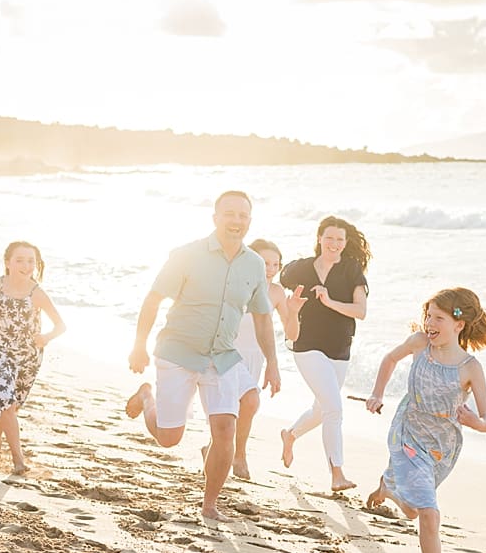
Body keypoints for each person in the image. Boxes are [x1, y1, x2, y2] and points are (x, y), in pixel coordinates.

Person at [126, 191, 281, 522]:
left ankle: (209, 504)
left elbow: (264, 317)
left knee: (225, 429)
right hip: (179, 352)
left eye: (242, 215)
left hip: (222, 357)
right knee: (169, 438)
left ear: (250, 221)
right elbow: (154, 299)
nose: (236, 221)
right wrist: (139, 344)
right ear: (215, 218)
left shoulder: (254, 264)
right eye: (229, 214)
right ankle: (147, 395)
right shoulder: (187, 255)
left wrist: (273, 365)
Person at [363, 287, 486, 553]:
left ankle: (389, 488)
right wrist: (377, 394)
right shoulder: (419, 343)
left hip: (442, 444)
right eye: (428, 315)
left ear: (458, 324)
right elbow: (389, 359)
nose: (429, 323)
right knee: (428, 512)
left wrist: (475, 422)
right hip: (408, 431)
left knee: (413, 511)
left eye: (437, 318)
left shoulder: (470, 367)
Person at [278, 216, 371, 492]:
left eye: (340, 239)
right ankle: (337, 474)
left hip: (340, 348)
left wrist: (329, 301)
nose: (334, 244)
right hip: (307, 346)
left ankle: (290, 434)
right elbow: (272, 279)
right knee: (334, 408)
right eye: (329, 237)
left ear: (345, 243)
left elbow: (360, 311)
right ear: (319, 238)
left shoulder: (352, 270)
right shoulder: (300, 269)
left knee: (322, 409)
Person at [0, 241, 66, 471]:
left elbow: (61, 326)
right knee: (7, 405)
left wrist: (46, 337)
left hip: (29, 356)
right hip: (0, 349)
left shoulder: (36, 293)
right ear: (8, 262)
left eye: (31, 261)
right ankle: (19, 461)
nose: (26, 265)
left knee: (12, 406)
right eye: (19, 260)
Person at [219, 239, 304, 480]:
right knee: (237, 405)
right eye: (265, 262)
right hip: (227, 351)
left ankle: (220, 450)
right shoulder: (234, 281)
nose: (270, 268)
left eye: (275, 264)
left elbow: (292, 334)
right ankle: (238, 454)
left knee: (240, 407)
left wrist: (294, 312)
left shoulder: (276, 292)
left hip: (255, 356)